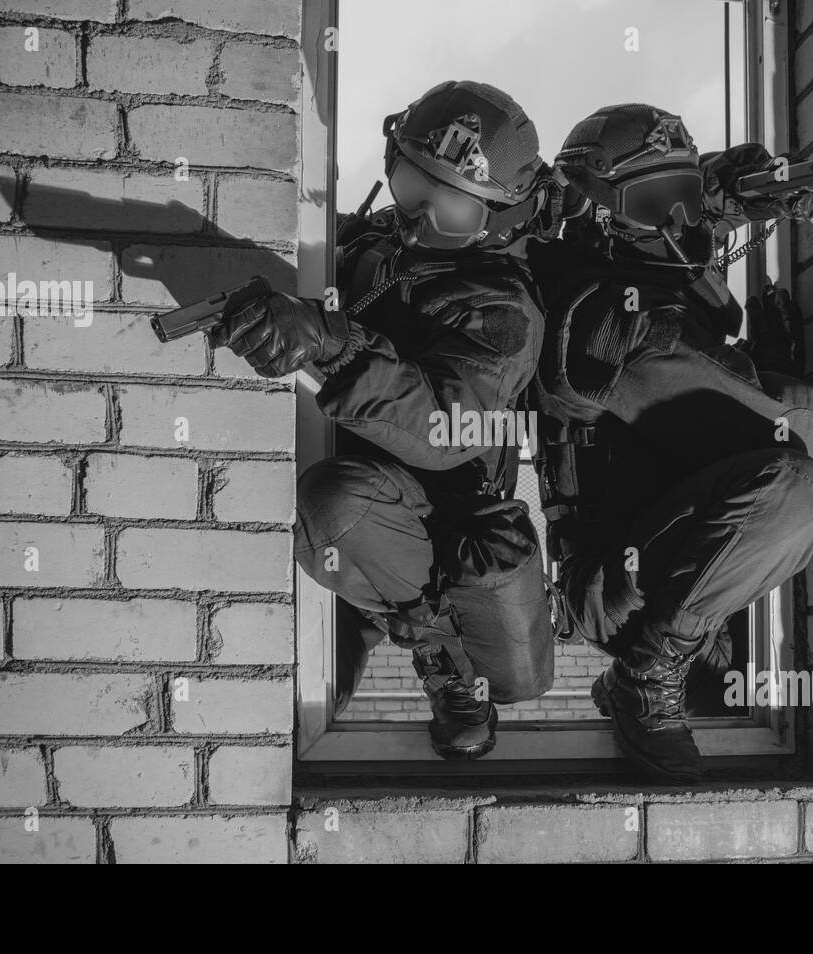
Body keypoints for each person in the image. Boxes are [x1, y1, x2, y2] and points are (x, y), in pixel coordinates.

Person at [209, 81, 559, 759]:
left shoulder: (503, 309)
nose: (419, 217)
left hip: (418, 535)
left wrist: (328, 341)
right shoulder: (379, 245)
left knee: (333, 506)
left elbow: (442, 424)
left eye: (451, 207)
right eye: (409, 184)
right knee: (275, 734)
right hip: (347, 535)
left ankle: (445, 656)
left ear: (495, 218)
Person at [528, 103, 813, 782]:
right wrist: (772, 377)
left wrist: (741, 185)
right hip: (615, 585)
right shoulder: (608, 329)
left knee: (723, 689)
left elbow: (672, 216)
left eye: (685, 197)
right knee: (802, 487)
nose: (679, 220)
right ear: (597, 214)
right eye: (655, 202)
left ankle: (654, 670)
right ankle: (644, 677)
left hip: (676, 571)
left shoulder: (654, 271)